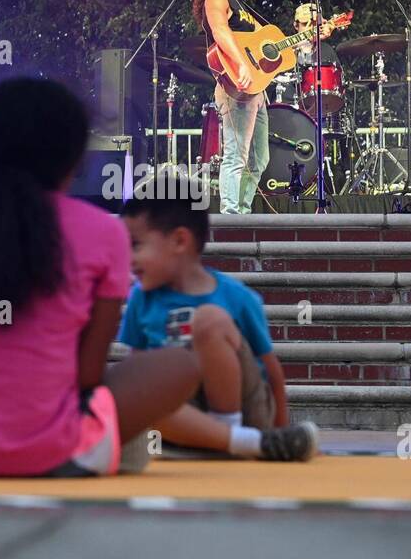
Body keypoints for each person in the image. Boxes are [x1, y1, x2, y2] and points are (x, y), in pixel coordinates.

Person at [0, 77, 204, 477]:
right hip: (47, 452)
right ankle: (110, 444)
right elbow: (86, 375)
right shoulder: (105, 234)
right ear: (73, 157)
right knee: (180, 366)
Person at [117, 183, 320, 461]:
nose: (128, 259)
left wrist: (281, 432)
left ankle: (234, 435)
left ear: (179, 241)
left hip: (246, 412)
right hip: (182, 414)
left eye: (136, 245)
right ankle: (233, 442)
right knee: (136, 387)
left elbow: (271, 370)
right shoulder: (141, 299)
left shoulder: (236, 297)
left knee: (209, 320)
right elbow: (138, 373)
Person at [192, 0, 269, 214]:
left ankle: (243, 213)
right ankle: (230, 217)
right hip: (236, 85)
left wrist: (311, 35)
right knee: (236, 156)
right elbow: (221, 31)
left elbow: (270, 41)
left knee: (259, 159)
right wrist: (241, 65)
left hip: (255, 89)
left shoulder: (242, 7)